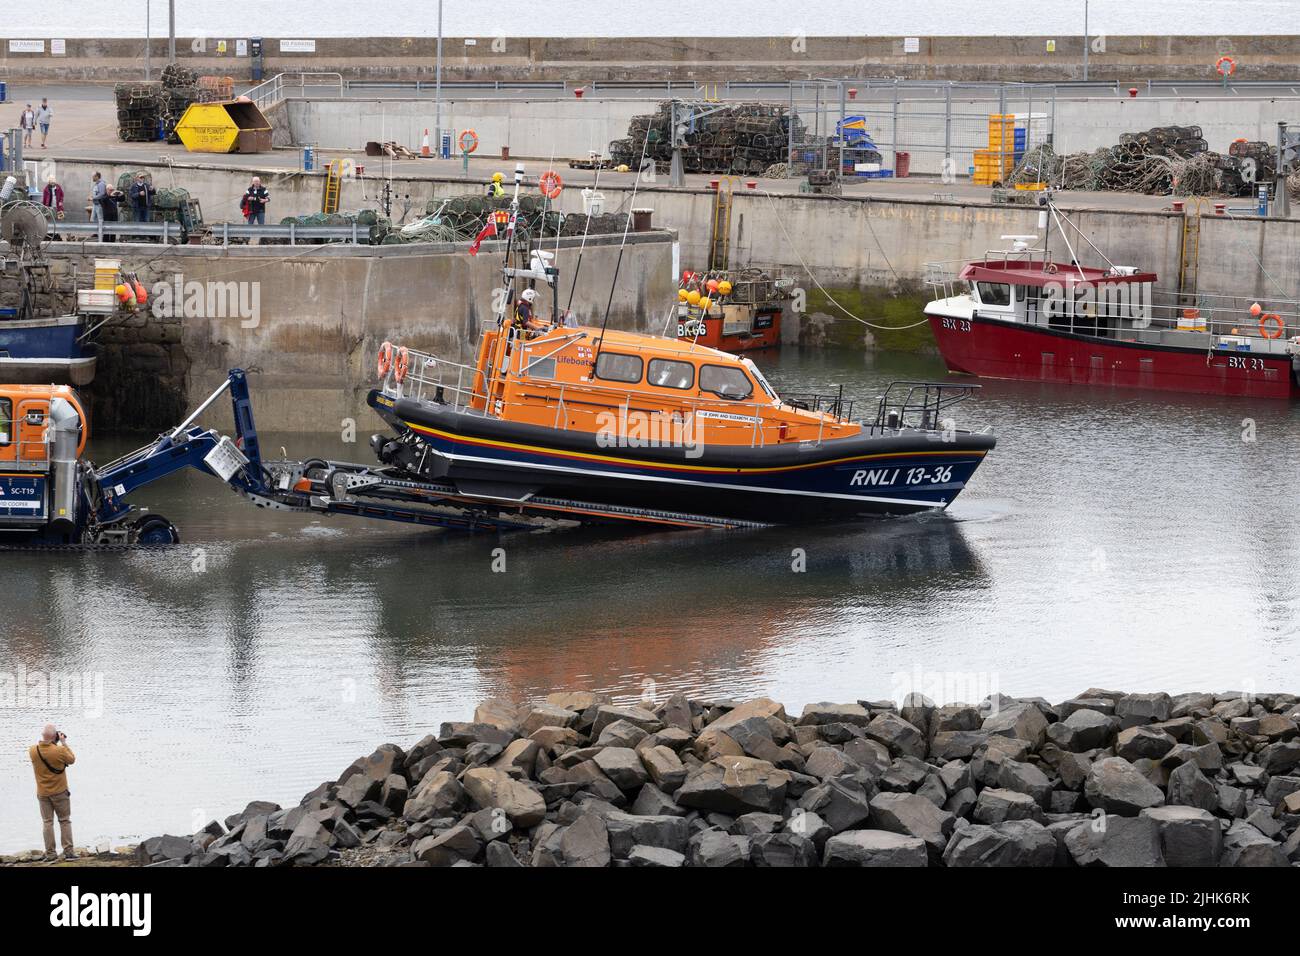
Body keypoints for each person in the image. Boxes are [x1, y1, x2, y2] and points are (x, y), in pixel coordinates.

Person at [30, 725, 76, 862]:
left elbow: (46, 752)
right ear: (54, 736)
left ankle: (50, 854)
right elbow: (72, 759)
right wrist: (63, 742)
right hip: (60, 792)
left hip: (43, 793)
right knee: (64, 821)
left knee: (47, 822)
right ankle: (68, 852)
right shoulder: (60, 750)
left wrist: (52, 741)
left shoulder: (33, 750)